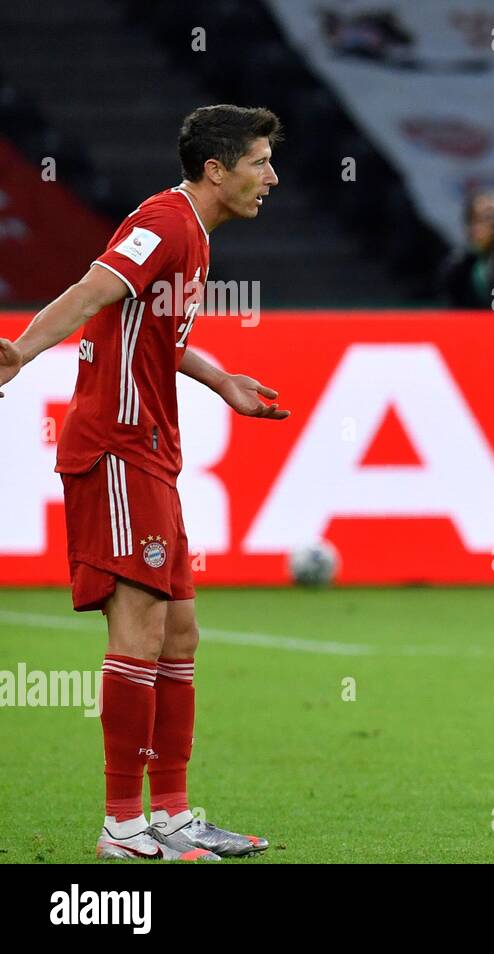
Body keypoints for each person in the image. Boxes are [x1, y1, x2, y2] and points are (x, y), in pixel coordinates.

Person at [0, 105, 290, 861]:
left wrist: (221, 379)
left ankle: (170, 814)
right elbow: (95, 289)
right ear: (217, 170)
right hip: (117, 450)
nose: (273, 177)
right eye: (260, 162)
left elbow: (155, 334)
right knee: (140, 632)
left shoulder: (193, 235)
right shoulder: (165, 220)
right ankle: (122, 826)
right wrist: (21, 351)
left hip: (152, 450)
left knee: (181, 632)